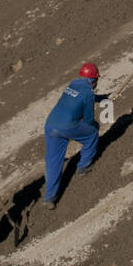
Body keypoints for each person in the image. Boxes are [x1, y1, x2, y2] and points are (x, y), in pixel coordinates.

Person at [43, 64, 101, 209]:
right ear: (94, 79)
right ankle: (83, 166)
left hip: (50, 125)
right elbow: (88, 120)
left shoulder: (73, 84)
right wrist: (92, 125)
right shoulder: (88, 92)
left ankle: (49, 198)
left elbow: (78, 98)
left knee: (53, 161)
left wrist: (102, 98)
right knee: (92, 133)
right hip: (67, 126)